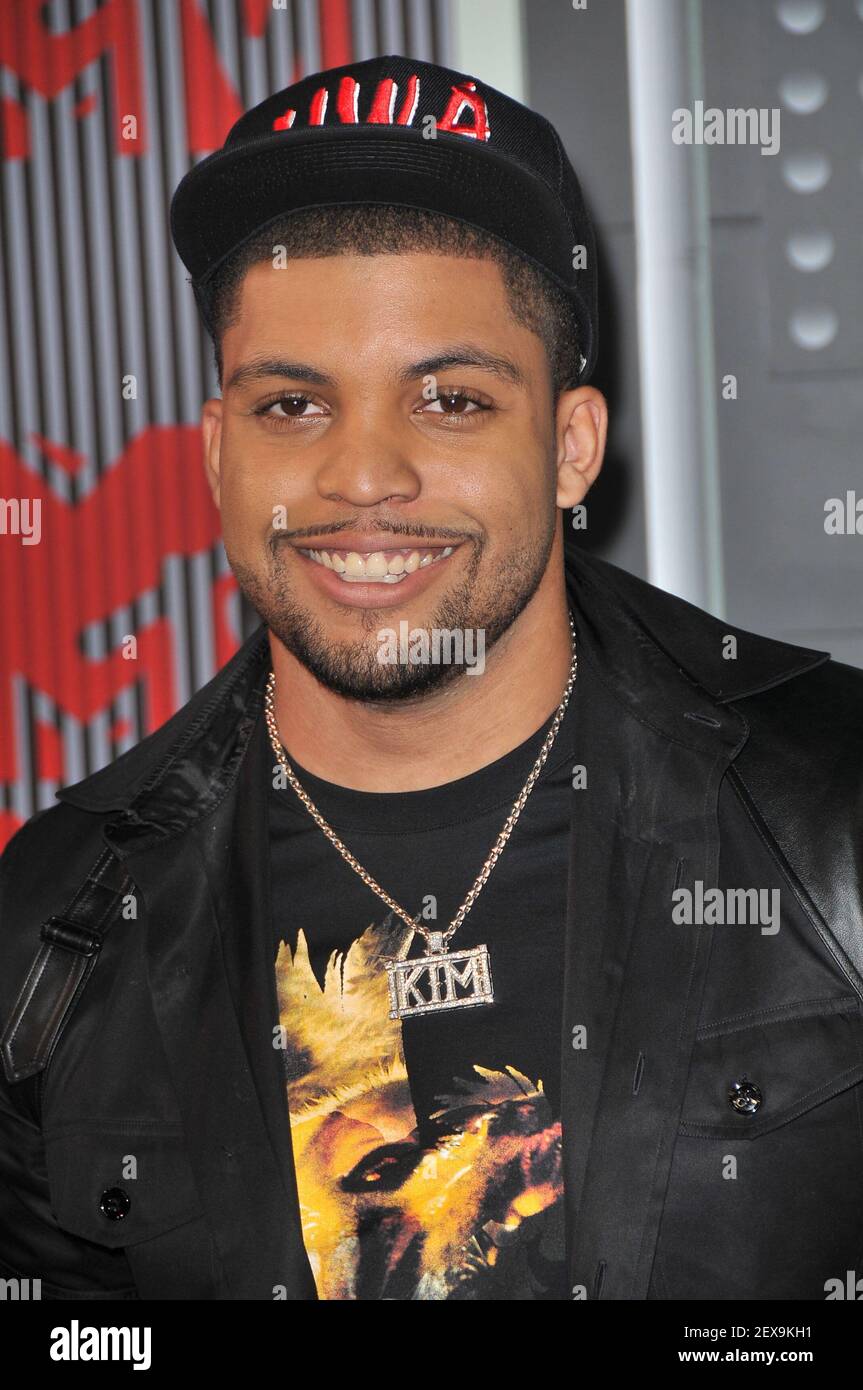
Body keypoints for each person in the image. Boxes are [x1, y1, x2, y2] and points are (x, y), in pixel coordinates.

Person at [1, 54, 861, 1303]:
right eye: (292, 404)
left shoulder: (830, 815)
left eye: (449, 399)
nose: (363, 476)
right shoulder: (59, 923)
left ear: (570, 446)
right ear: (214, 452)